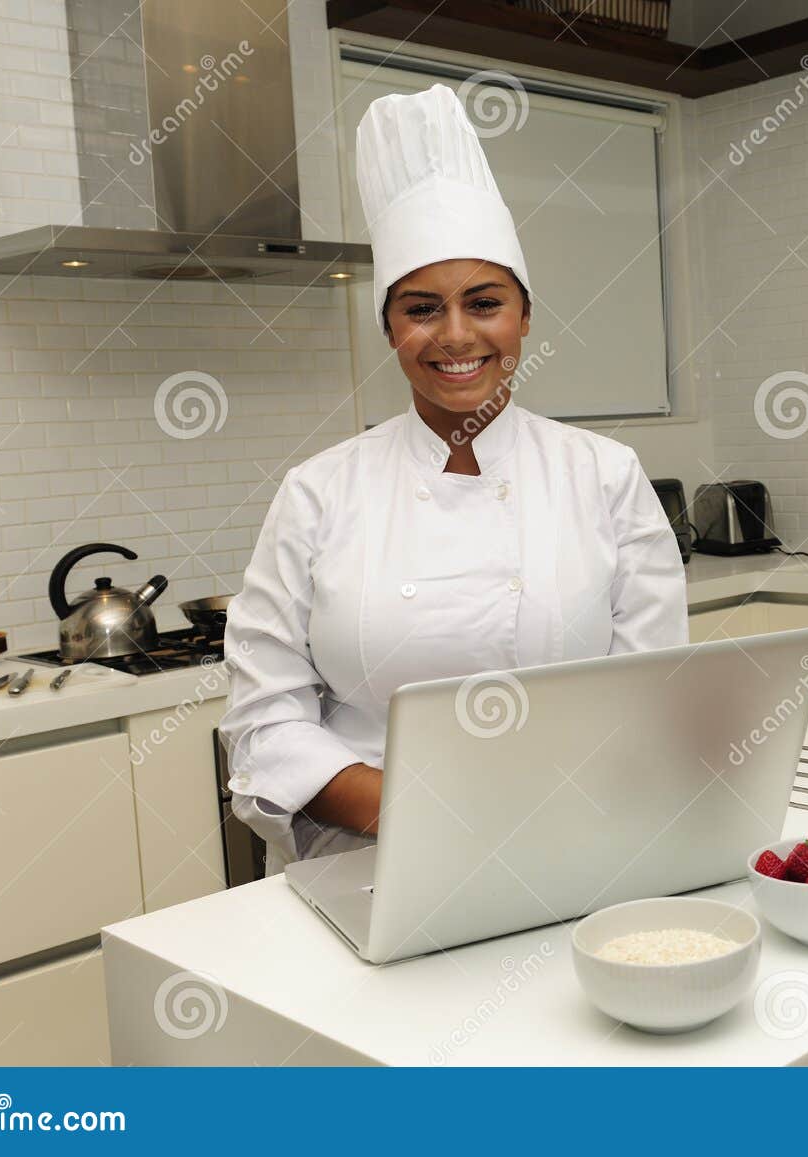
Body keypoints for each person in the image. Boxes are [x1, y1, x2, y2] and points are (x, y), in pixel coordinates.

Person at [220, 84, 687, 871]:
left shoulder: (604, 474)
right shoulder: (319, 492)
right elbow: (265, 720)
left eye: (484, 302)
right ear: (390, 329)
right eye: (422, 309)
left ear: (525, 317)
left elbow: (653, 692)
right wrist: (424, 809)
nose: (457, 335)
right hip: (366, 858)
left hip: (574, 840)